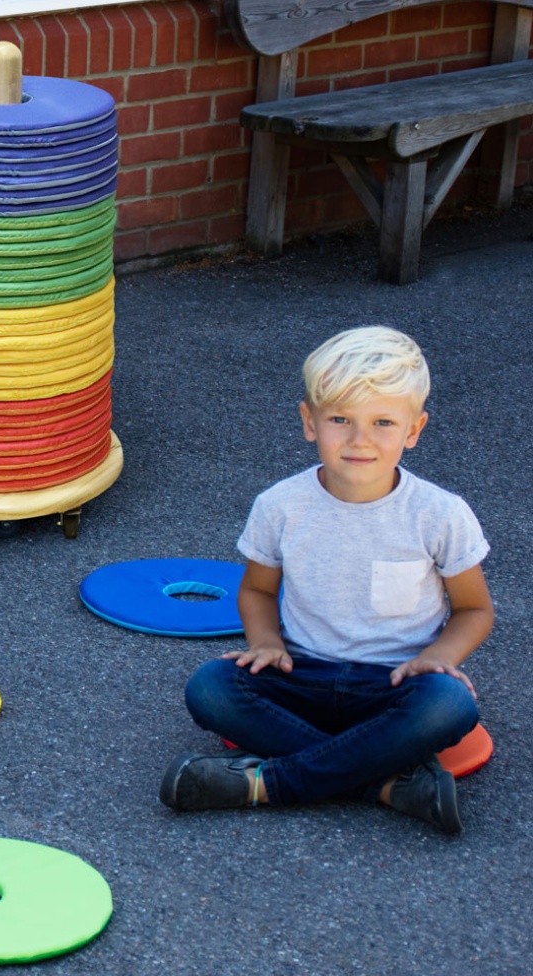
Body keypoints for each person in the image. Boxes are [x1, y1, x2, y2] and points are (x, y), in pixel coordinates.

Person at [160, 326, 492, 836]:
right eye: (340, 419)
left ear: (414, 429)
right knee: (211, 688)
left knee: (451, 706)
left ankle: (268, 783)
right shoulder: (281, 505)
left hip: (396, 685)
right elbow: (257, 590)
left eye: (383, 422)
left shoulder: (439, 514)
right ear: (309, 422)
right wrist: (266, 642)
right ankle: (382, 783)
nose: (360, 439)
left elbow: (474, 609)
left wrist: (442, 658)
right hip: (300, 675)